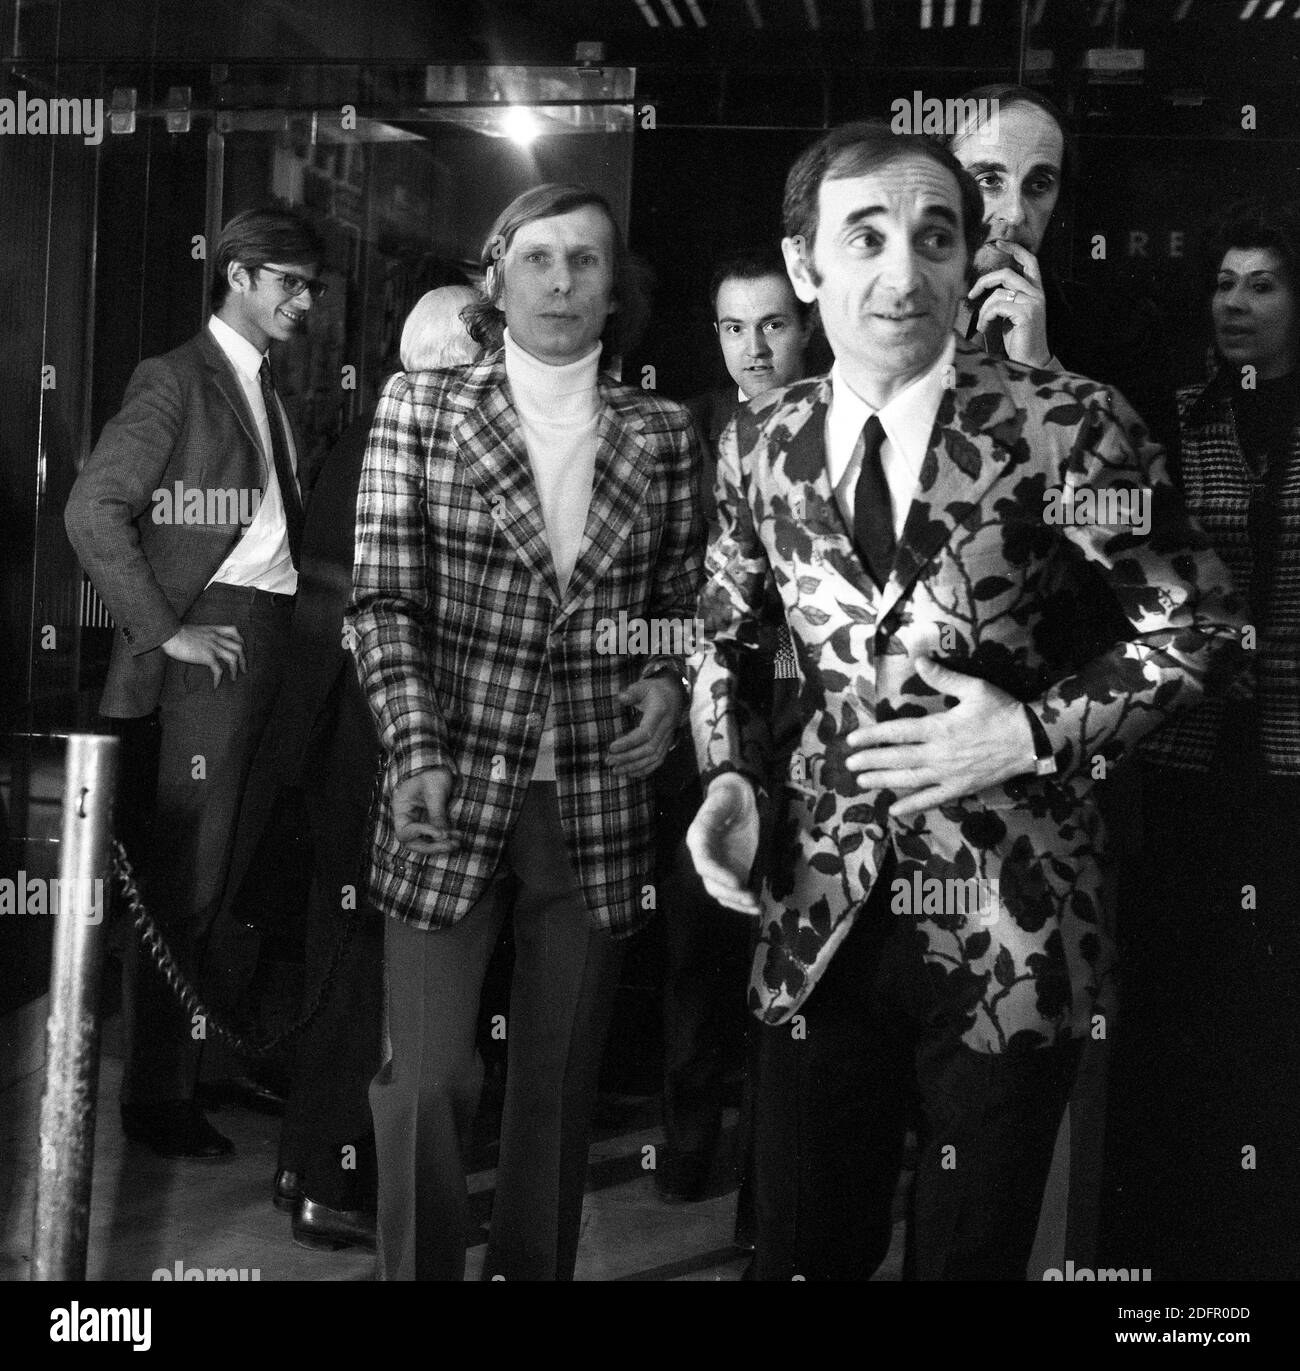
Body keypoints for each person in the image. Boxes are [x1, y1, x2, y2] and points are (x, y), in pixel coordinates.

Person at [685, 120, 1245, 1281]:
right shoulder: (758, 440)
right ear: (806, 266)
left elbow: (1201, 625)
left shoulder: (1067, 426)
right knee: (800, 1248)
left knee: (969, 1258)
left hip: (1014, 922)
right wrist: (728, 776)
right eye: (868, 237)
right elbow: (726, 638)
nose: (904, 273)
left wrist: (1029, 732)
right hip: (814, 907)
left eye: (935, 238)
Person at [347, 183, 704, 1281]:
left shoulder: (663, 433)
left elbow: (686, 599)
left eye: (586, 262)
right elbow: (379, 604)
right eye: (539, 258)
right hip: (443, 784)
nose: (561, 281)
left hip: (592, 796)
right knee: (428, 1081)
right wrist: (413, 747)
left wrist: (665, 682)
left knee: (556, 1082)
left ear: (614, 291)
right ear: (494, 276)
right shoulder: (420, 407)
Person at [209, 284, 482, 1251]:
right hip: (374, 747)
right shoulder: (413, 446)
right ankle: (335, 1180)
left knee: (345, 965)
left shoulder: (363, 436)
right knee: (367, 978)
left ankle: (308, 1169)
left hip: (334, 743)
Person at [65, 207, 326, 1159]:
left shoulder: (262, 385)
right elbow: (93, 508)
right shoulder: (175, 379)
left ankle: (207, 1065)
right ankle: (157, 1095)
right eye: (290, 282)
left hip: (267, 642)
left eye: (311, 285)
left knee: (234, 868)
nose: (305, 301)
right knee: (188, 878)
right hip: (214, 643)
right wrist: (164, 631)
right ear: (240, 276)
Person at [1101, 199, 1300, 1280]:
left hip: (1287, 760)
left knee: (1270, 1008)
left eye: (1262, 284)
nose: (1235, 303)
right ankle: (1158, 1245)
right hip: (1186, 755)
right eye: (1223, 283)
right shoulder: (1176, 415)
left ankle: (1257, 1242)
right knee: (1173, 1003)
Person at [655, 251, 812, 1208]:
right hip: (709, 721)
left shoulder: (847, 425)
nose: (754, 347)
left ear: (809, 324)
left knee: (789, 962)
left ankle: (766, 1188)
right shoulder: (688, 429)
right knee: (692, 957)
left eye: (774, 325)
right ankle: (682, 1147)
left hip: (812, 730)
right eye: (734, 327)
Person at [946, 83, 1179, 463]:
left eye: (1039, 185)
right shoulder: (886, 316)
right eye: (989, 180)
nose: (1016, 214)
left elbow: (1149, 507)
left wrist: (1043, 375)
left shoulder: (1123, 329)